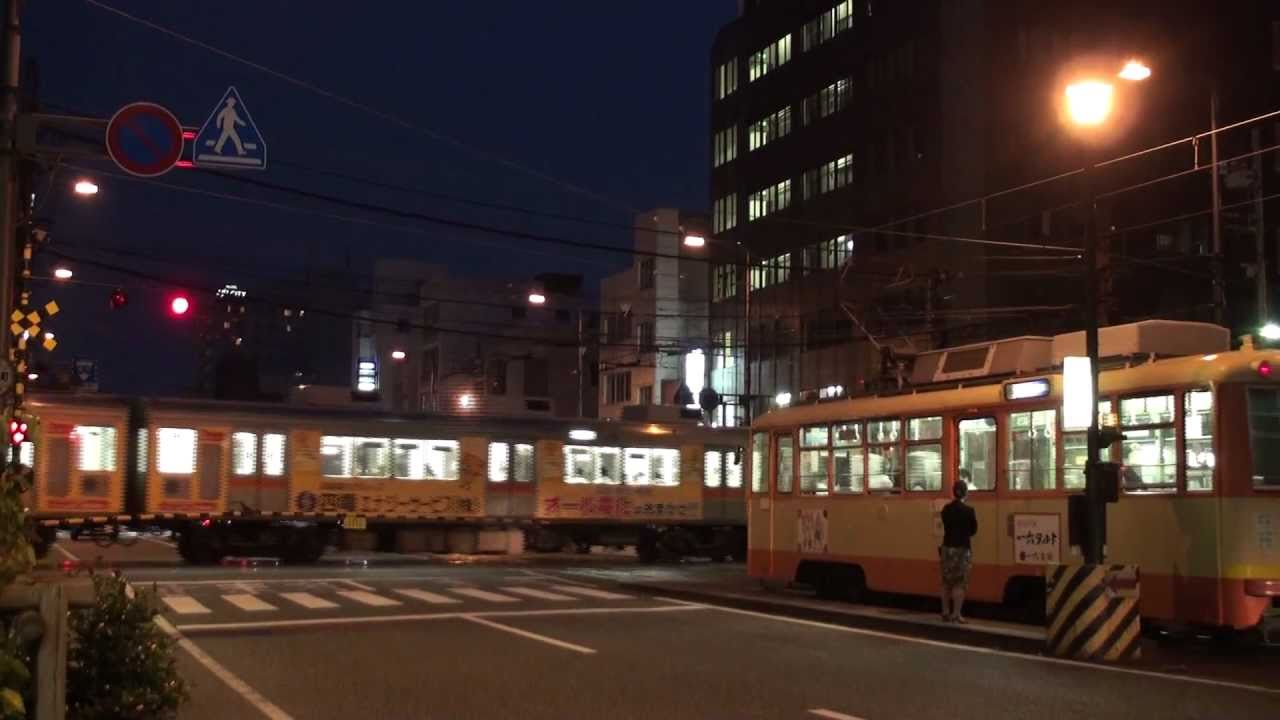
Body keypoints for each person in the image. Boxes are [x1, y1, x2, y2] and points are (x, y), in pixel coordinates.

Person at [939, 479, 978, 623]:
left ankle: (944, 612)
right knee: (959, 583)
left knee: (946, 582)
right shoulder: (969, 511)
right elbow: (973, 530)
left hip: (947, 548)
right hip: (962, 549)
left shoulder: (946, 510)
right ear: (965, 493)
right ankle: (956, 614)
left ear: (953, 492)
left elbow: (945, 525)